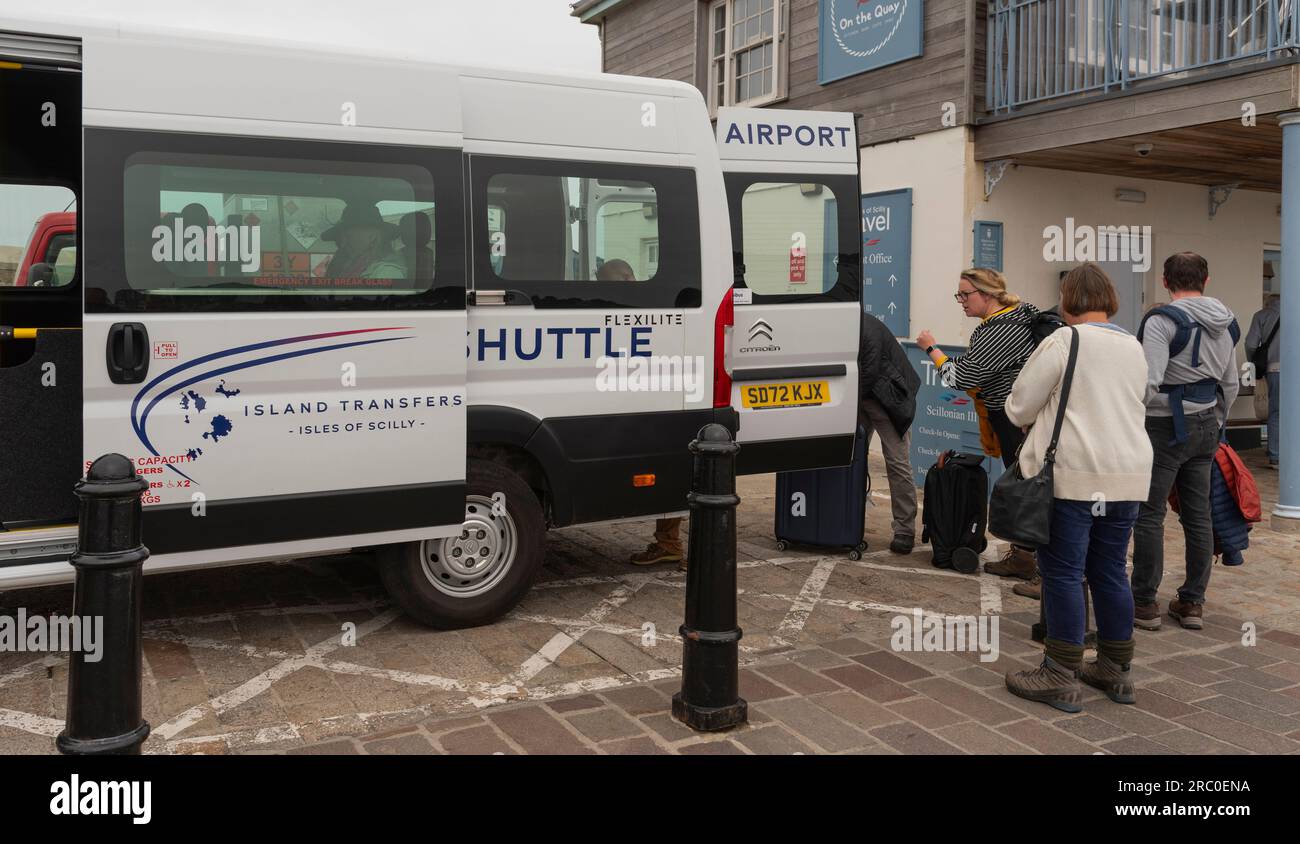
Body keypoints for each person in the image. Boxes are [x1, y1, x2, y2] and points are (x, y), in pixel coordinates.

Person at [1002, 264, 1152, 712]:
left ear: (1067, 300)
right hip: (1127, 474)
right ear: (1109, 298)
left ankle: (1058, 672)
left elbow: (1018, 406)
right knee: (1109, 570)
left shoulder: (1064, 340)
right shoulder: (1133, 345)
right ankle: (1115, 668)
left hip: (1076, 474)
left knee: (1064, 571)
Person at [1131, 252, 1240, 631]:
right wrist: (1218, 420)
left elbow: (1150, 379)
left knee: (1150, 512)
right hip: (1207, 423)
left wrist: (1130, 416)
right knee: (1198, 514)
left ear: (1165, 281)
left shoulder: (1162, 320)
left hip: (1164, 425)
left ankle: (1144, 603)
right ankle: (1192, 602)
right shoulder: (1226, 322)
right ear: (1205, 280)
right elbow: (1230, 382)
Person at [916, 268, 1040, 583]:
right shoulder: (1023, 314)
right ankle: (1025, 554)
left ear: (987, 294)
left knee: (1023, 487)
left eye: (965, 294)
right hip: (1023, 416)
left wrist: (932, 349)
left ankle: (1031, 561)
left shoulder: (998, 330)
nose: (960, 301)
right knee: (1024, 485)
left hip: (1013, 418)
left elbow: (961, 378)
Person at [601, 257, 686, 569]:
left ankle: (681, 546)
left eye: (607, 282)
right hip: (650, 394)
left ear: (625, 278)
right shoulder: (639, 301)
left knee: (681, 473)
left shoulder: (650, 304)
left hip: (663, 396)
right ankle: (669, 544)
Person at [859, 312, 921, 553]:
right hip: (862, 398)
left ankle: (905, 530)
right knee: (851, 459)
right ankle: (849, 518)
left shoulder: (866, 327)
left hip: (889, 401)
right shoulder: (842, 325)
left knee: (897, 461)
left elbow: (869, 372)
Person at [323, 203, 406, 280]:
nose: (342, 244)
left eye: (348, 238)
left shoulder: (386, 273)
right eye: (340, 239)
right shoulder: (345, 266)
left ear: (372, 237)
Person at [1245, 292, 1281, 467]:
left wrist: (1254, 363)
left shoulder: (1261, 315)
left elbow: (1251, 344)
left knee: (1276, 412)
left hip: (1275, 369)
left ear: (1268, 303)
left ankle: (1276, 455)